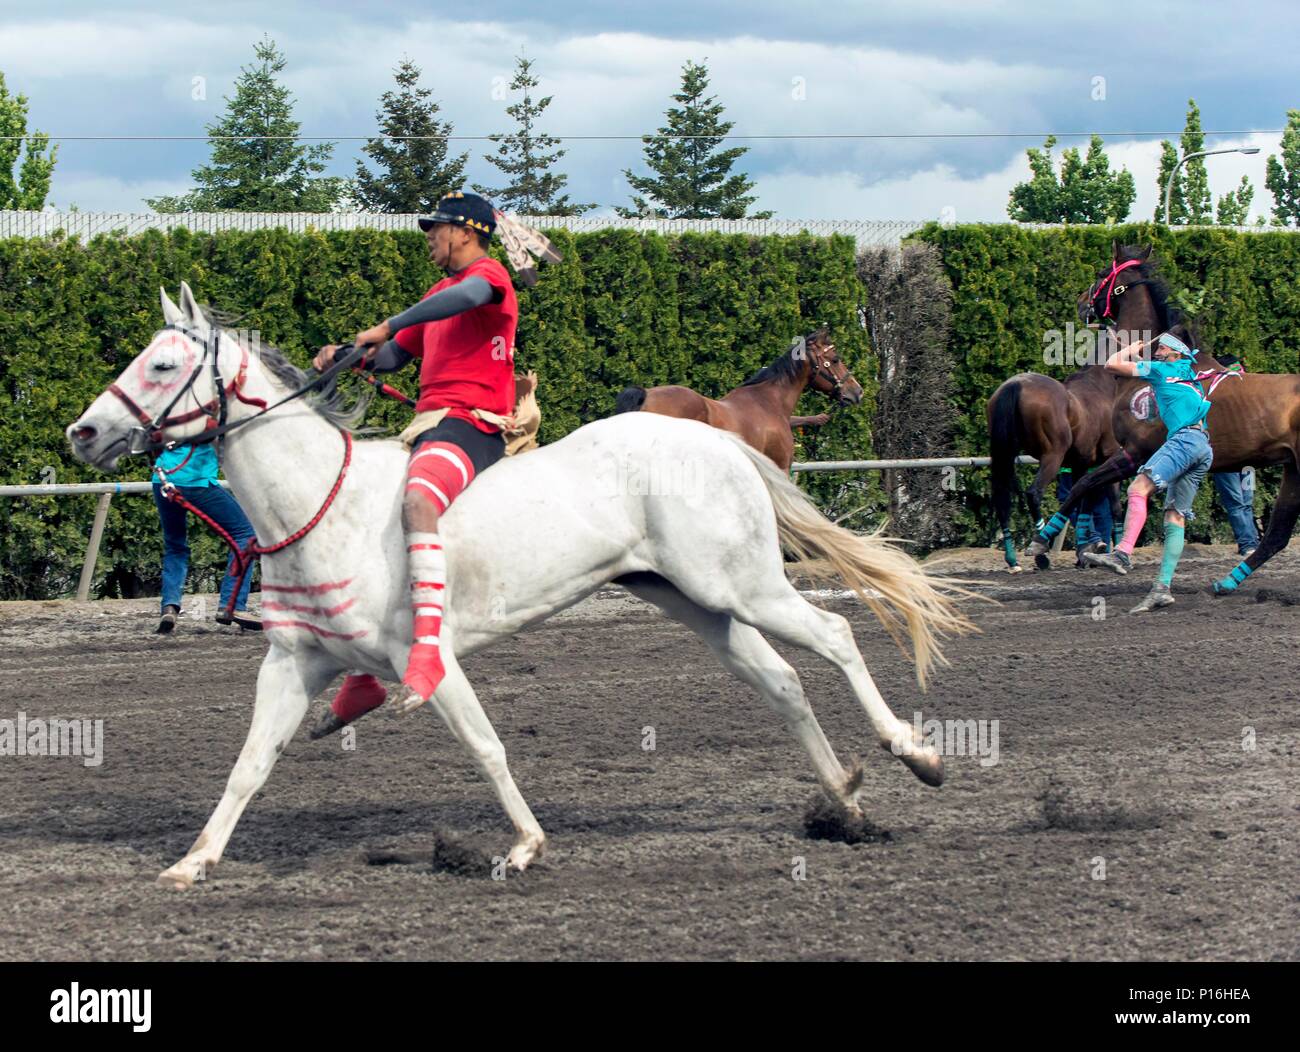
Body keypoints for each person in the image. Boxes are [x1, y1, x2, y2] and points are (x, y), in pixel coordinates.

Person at [309, 190, 519, 737]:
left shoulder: (488, 278)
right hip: (430, 425)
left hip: (473, 424)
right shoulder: (437, 294)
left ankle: (427, 652)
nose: (428, 238)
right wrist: (346, 356)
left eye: (436, 229)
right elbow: (394, 355)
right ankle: (362, 673)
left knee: (419, 500)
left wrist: (385, 322)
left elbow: (462, 297)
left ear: (466, 232)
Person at [1084, 327, 1213, 612]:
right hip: (1204, 445)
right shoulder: (1191, 377)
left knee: (1137, 488)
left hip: (1184, 441)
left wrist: (1130, 349)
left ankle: (1122, 555)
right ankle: (1162, 588)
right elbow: (1163, 408)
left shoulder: (1159, 369)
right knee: (1175, 516)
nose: (1157, 353)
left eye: (1161, 350)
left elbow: (1111, 365)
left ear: (1174, 354)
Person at [152, 442, 261, 633]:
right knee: (245, 534)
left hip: (162, 480)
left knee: (175, 545)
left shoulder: (170, 415)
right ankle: (232, 605)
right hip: (197, 481)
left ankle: (169, 608)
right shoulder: (211, 413)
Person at [1208, 354, 1258, 558]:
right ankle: (1248, 544)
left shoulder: (1248, 399)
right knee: (1236, 502)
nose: (1240, 374)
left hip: (1247, 460)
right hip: (1226, 460)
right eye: (1234, 371)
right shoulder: (1217, 399)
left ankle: (1252, 542)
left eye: (1241, 369)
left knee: (1247, 500)